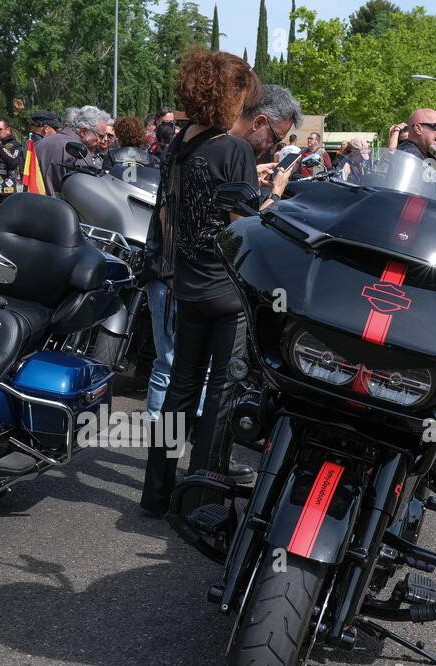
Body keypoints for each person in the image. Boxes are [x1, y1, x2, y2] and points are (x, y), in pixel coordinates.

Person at [140, 52, 291, 516]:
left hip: (186, 284)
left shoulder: (180, 142)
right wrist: (276, 197)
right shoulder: (235, 149)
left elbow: (169, 211)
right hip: (226, 290)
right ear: (231, 96)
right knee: (223, 392)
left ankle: (157, 492)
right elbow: (243, 225)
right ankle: (202, 496)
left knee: (180, 390)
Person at [35, 105, 109, 195]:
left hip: (32, 205)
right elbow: (84, 195)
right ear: (83, 132)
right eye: (100, 136)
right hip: (61, 207)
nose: (102, 141)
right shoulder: (80, 152)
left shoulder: (39, 144)